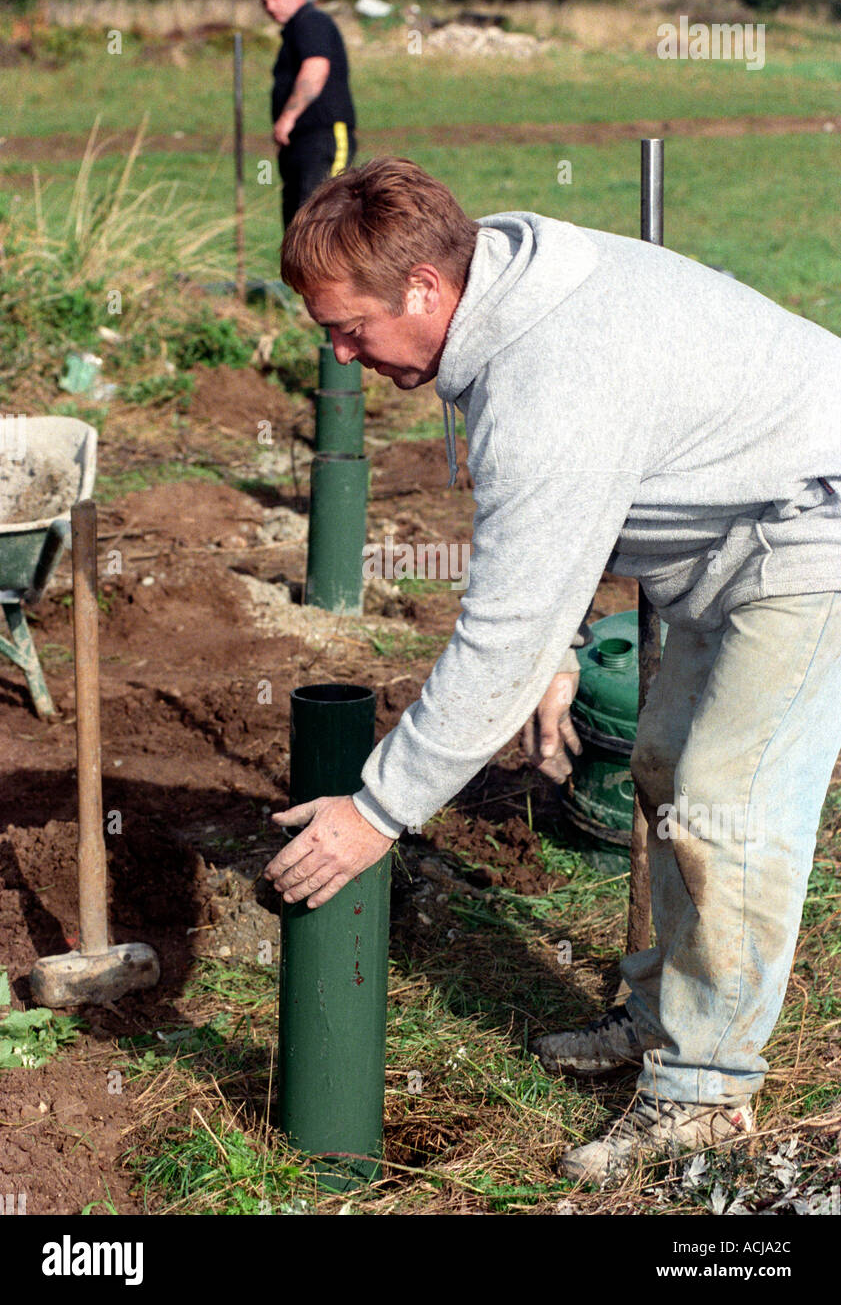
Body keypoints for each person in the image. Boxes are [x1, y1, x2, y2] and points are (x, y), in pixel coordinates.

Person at [264, 156, 841, 1186]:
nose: (345, 355)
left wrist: (378, 810)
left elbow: (501, 630)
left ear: (426, 289)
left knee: (725, 801)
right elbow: (577, 519)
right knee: (662, 766)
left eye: (351, 327)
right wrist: (558, 649)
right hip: (733, 538)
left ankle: (705, 1095)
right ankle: (665, 1021)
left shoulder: (547, 376)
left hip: (813, 530)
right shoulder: (505, 286)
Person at [257, 0, 357, 229]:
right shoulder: (294, 30)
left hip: (322, 138)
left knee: (319, 227)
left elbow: (315, 70)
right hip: (300, 144)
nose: (269, 6)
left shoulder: (312, 22)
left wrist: (287, 118)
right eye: (264, 1)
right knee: (297, 229)